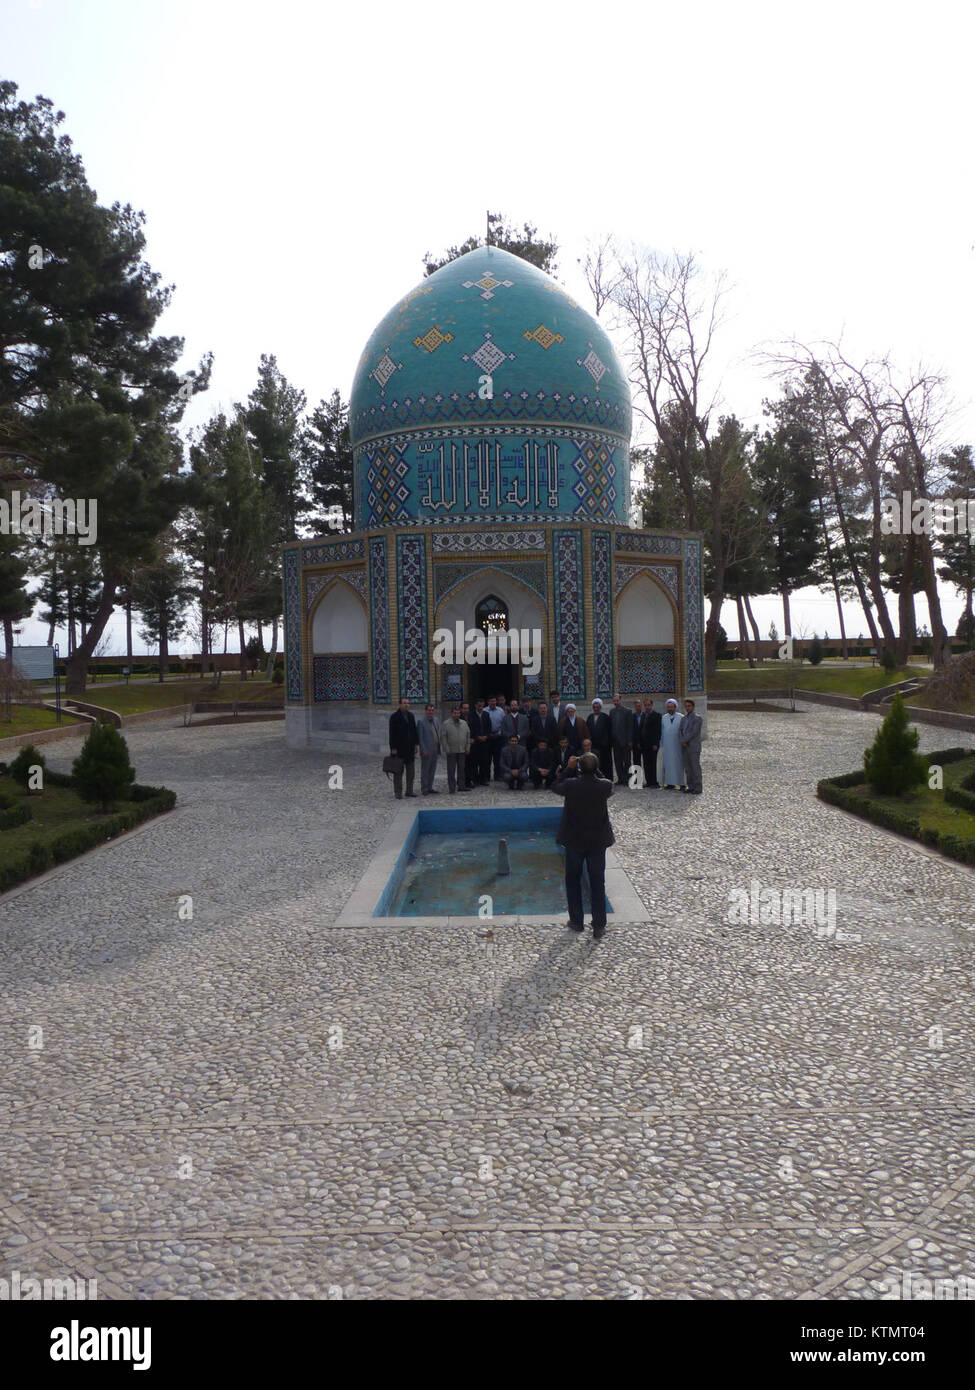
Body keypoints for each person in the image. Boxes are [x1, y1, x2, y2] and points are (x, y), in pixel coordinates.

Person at [553, 751, 614, 940]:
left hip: (574, 840)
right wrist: (594, 767)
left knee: (573, 881)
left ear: (579, 768)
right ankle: (599, 925)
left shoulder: (571, 785)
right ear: (596, 769)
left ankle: (577, 921)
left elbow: (555, 786)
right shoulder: (604, 786)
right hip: (597, 841)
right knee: (597, 883)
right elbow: (606, 781)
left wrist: (567, 769)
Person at [388, 697, 418, 800]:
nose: (406, 705)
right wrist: (393, 748)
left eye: (408, 703)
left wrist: (415, 744)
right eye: (404, 703)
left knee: (411, 772)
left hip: (409, 749)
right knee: (398, 773)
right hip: (399, 749)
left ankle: (409, 791)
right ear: (400, 704)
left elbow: (414, 731)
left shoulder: (411, 716)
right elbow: (392, 734)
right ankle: (398, 792)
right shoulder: (394, 717)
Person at [442, 705, 471, 793]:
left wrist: (467, 747)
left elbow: (468, 735)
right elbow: (443, 737)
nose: (457, 715)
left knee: (461, 769)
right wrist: (446, 749)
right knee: (451, 770)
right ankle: (452, 788)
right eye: (455, 713)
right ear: (452, 714)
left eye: (458, 713)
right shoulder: (446, 724)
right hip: (451, 751)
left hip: (462, 750)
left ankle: (461, 786)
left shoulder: (464, 723)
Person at [679, 698, 703, 794]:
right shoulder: (683, 719)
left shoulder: (697, 718)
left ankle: (698, 788)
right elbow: (680, 730)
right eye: (686, 706)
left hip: (693, 747)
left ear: (693, 707)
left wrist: (685, 740)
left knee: (695, 768)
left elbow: (694, 732)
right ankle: (691, 786)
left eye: (689, 706)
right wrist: (681, 740)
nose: (687, 708)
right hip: (684, 747)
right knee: (688, 768)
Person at [609, 692, 633, 786]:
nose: (616, 702)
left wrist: (630, 740)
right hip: (615, 741)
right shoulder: (612, 712)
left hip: (625, 741)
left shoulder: (627, 711)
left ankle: (627, 779)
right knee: (617, 761)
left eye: (617, 700)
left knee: (627, 761)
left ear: (621, 700)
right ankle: (620, 779)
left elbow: (630, 727)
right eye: (614, 701)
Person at [417, 702, 441, 794]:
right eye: (429, 710)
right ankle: (424, 788)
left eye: (432, 710)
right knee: (425, 770)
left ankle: (430, 787)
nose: (431, 712)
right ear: (425, 711)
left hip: (435, 749)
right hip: (426, 750)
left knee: (432, 769)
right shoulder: (421, 722)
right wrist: (423, 750)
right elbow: (420, 738)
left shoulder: (436, 720)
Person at [660, 698, 684, 789]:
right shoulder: (664, 718)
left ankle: (681, 783)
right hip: (667, 745)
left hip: (678, 745)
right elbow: (662, 731)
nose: (670, 709)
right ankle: (670, 783)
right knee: (668, 764)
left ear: (675, 707)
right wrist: (661, 744)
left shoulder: (681, 717)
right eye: (668, 707)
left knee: (679, 764)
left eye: (671, 707)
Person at [587, 698, 613, 780]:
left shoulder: (606, 717)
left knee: (606, 763)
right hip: (594, 745)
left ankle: (608, 779)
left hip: (604, 746)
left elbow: (609, 731)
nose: (596, 708)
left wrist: (606, 742)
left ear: (600, 707)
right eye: (594, 707)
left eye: (597, 707)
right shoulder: (590, 717)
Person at [640, 698, 662, 788]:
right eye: (646, 705)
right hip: (644, 744)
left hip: (653, 744)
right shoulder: (643, 715)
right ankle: (648, 781)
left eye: (649, 705)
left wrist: (656, 743)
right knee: (646, 763)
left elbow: (657, 731)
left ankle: (654, 782)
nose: (647, 707)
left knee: (653, 763)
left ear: (652, 705)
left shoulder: (657, 715)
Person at [486, 695, 505, 780]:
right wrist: (488, 734)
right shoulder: (484, 710)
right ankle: (487, 776)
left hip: (498, 737)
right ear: (488, 702)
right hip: (488, 737)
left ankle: (498, 775)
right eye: (491, 701)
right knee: (487, 758)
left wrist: (499, 733)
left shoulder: (501, 711)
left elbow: (504, 724)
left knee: (498, 758)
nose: (493, 703)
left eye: (494, 701)